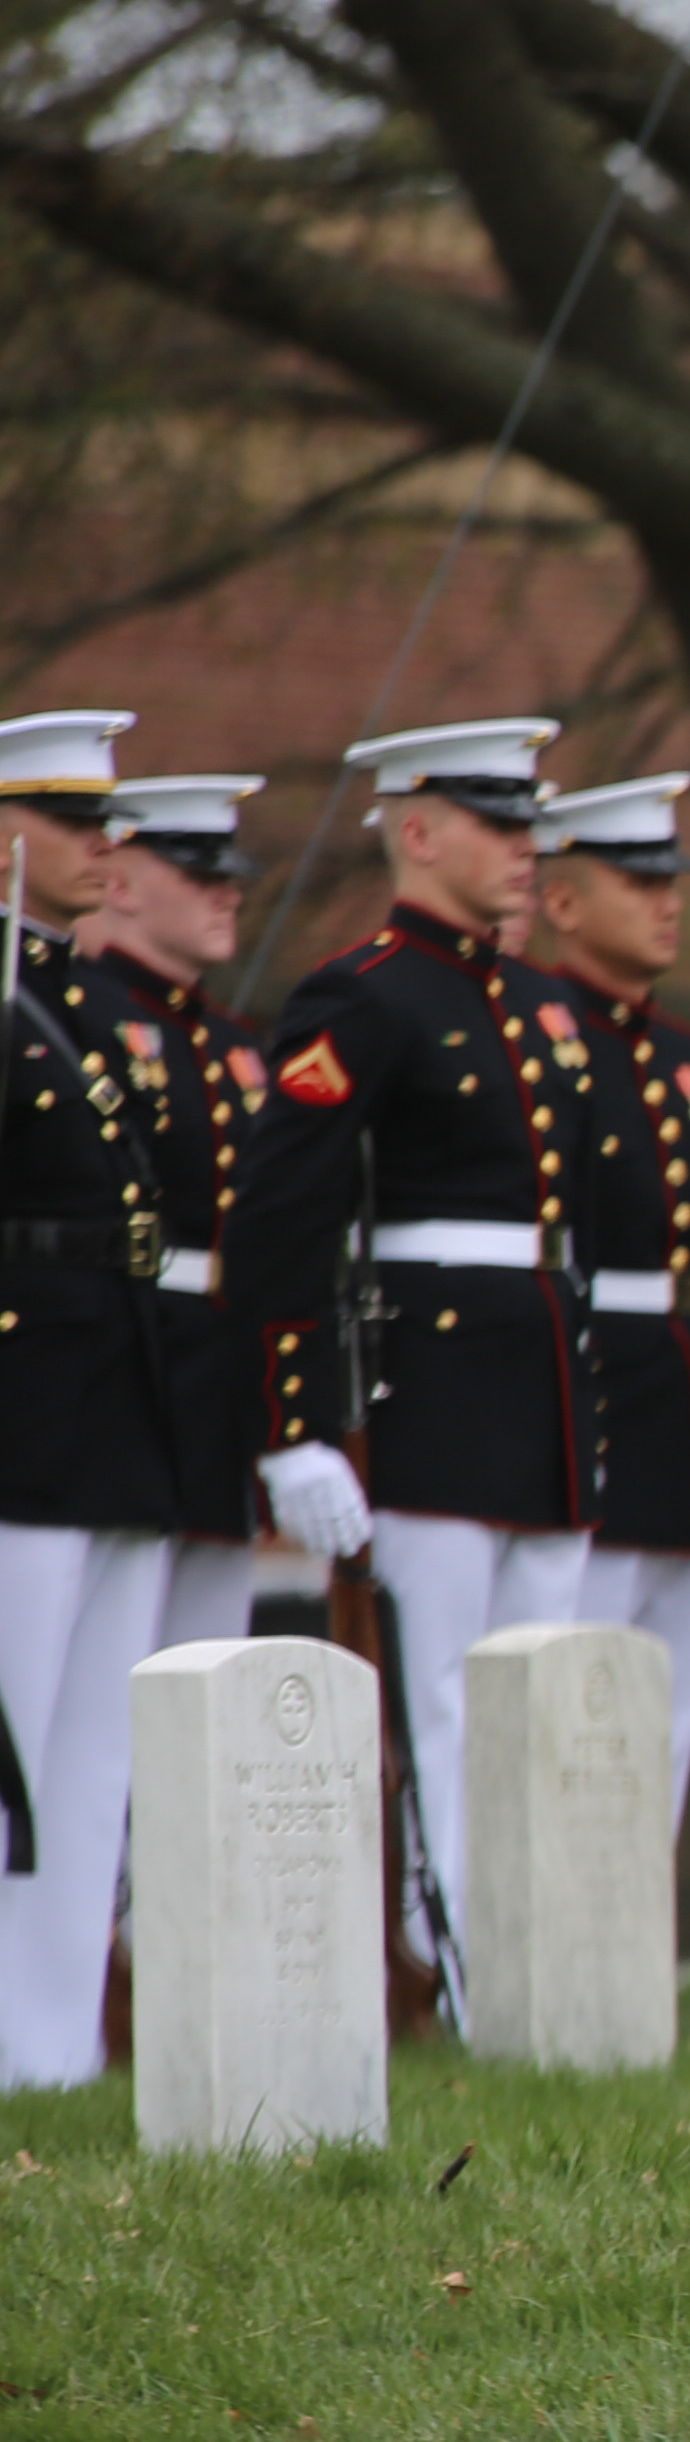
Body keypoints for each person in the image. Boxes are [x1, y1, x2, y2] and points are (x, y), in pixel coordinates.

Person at [226, 717, 592, 2005]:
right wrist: (293, 1421)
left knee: (548, 1695)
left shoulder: (541, 1006)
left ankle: (542, 1961)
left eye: (530, 824)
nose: (523, 850)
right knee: (439, 1695)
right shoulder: (364, 996)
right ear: (419, 831)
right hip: (430, 1389)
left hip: (543, 1377)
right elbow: (278, 1222)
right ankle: (453, 1965)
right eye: (498, 825)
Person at [0, 705, 181, 2087]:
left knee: (91, 1751)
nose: (102, 846)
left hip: (109, 1397)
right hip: (23, 1411)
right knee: (11, 1733)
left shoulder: (81, 1004)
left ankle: (52, 2049)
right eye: (72, 821)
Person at [526, 773, 690, 1820]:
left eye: (673, 880)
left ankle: (634, 1956)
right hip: (593, 1381)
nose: (669, 901)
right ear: (562, 902)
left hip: (682, 1388)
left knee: (667, 1694)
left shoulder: (687, 1055)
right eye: (637, 879)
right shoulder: (542, 1035)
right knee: (582, 1696)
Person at [74, 767, 266, 1665]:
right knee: (112, 1666)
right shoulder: (85, 1015)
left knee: (208, 1679)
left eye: (229, 873)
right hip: (130, 1359)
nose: (226, 892)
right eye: (198, 873)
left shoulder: (233, 1046)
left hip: (220, 1376)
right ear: (120, 880)